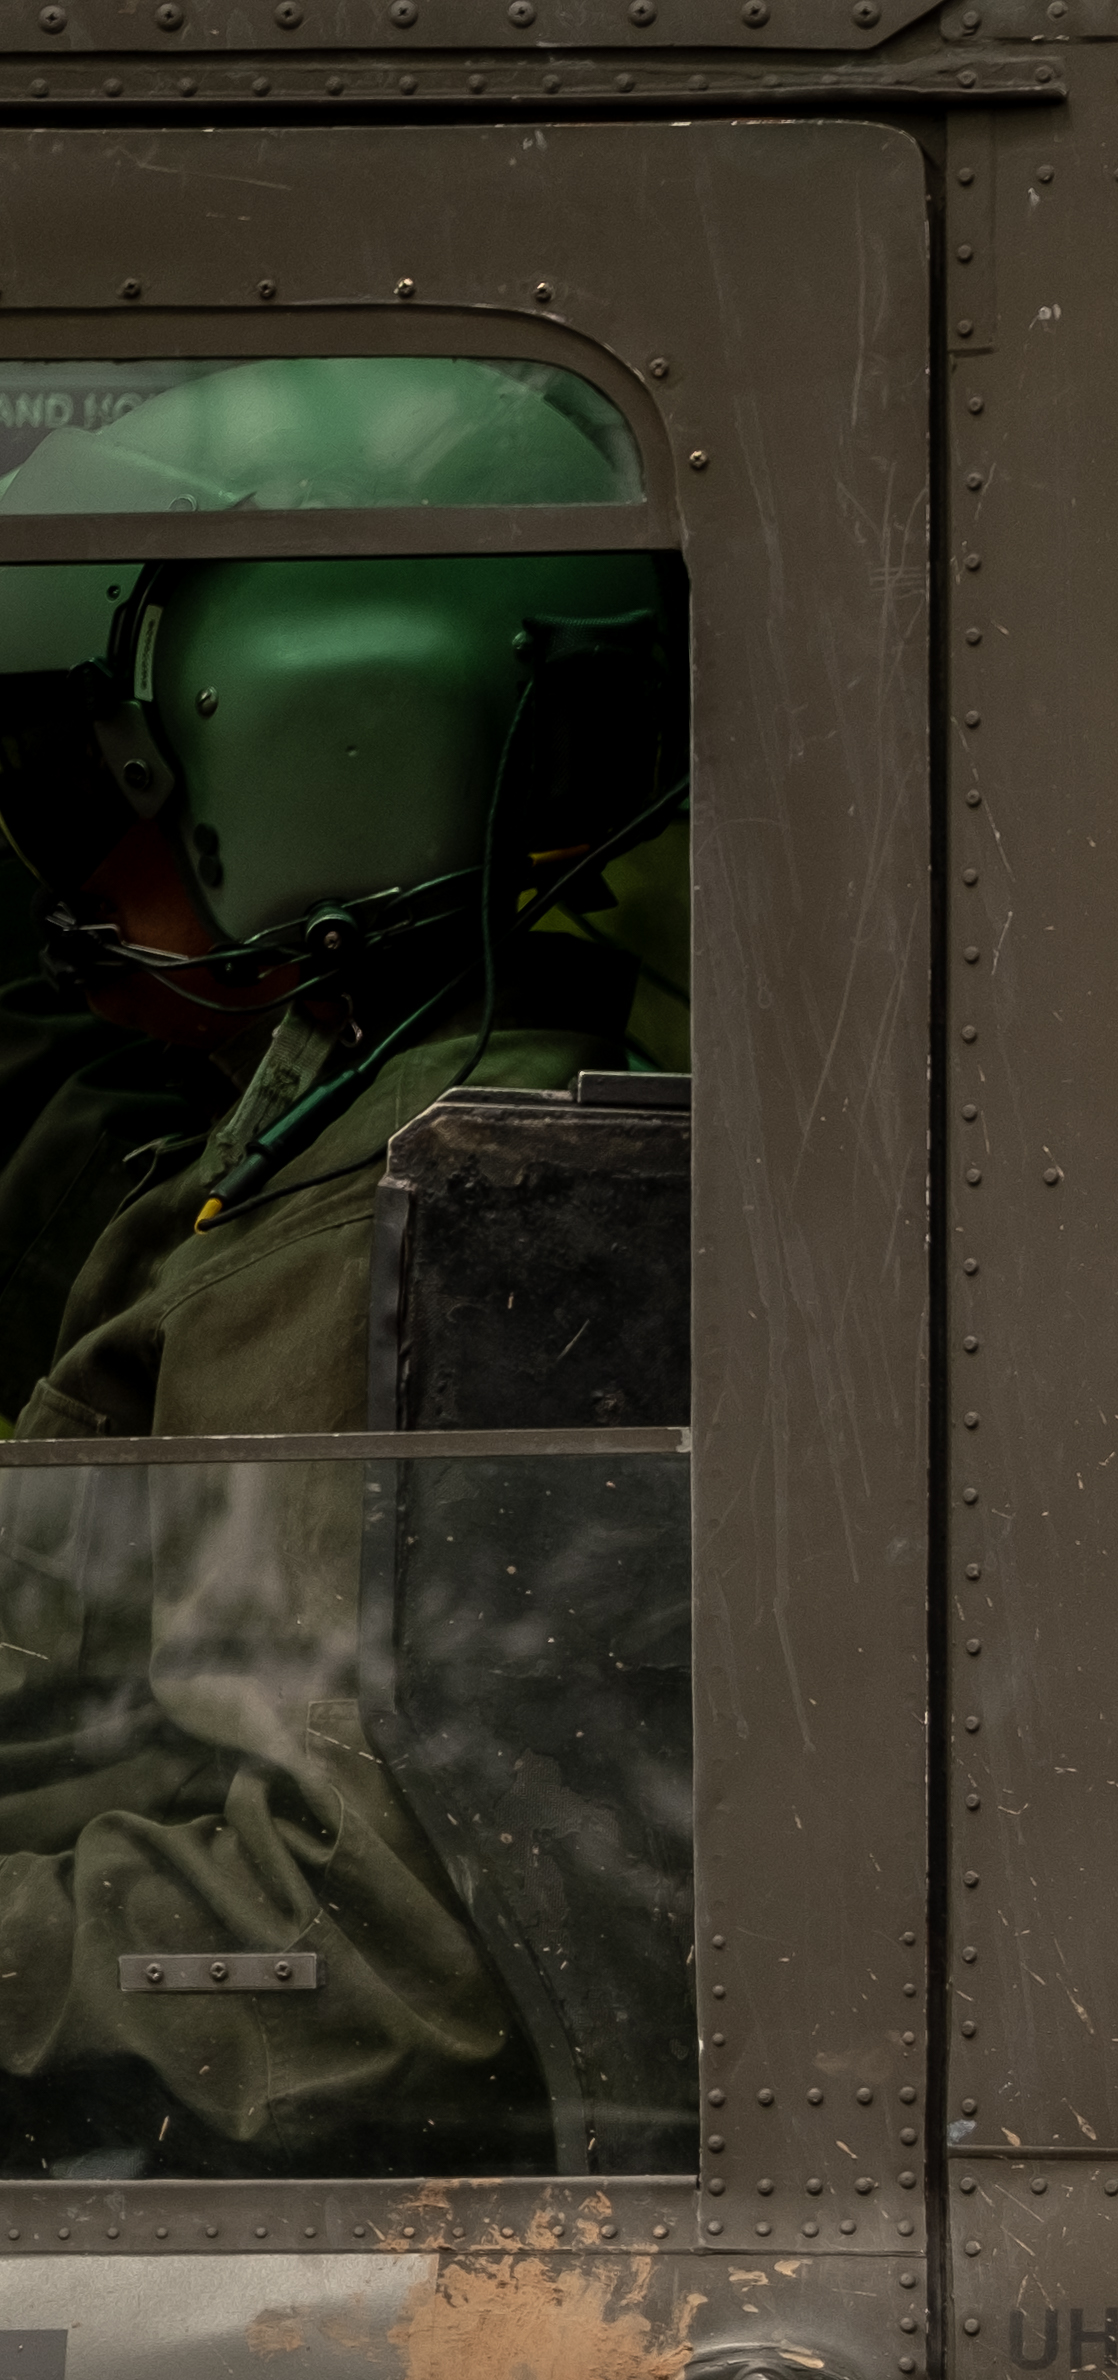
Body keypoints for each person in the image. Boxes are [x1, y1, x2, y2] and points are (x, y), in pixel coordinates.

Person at [0, 354, 680, 2172]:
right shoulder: (343, 1127)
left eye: (133, 768)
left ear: (301, 742)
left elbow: (376, 1949)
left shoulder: (400, 1222)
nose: (113, 834)